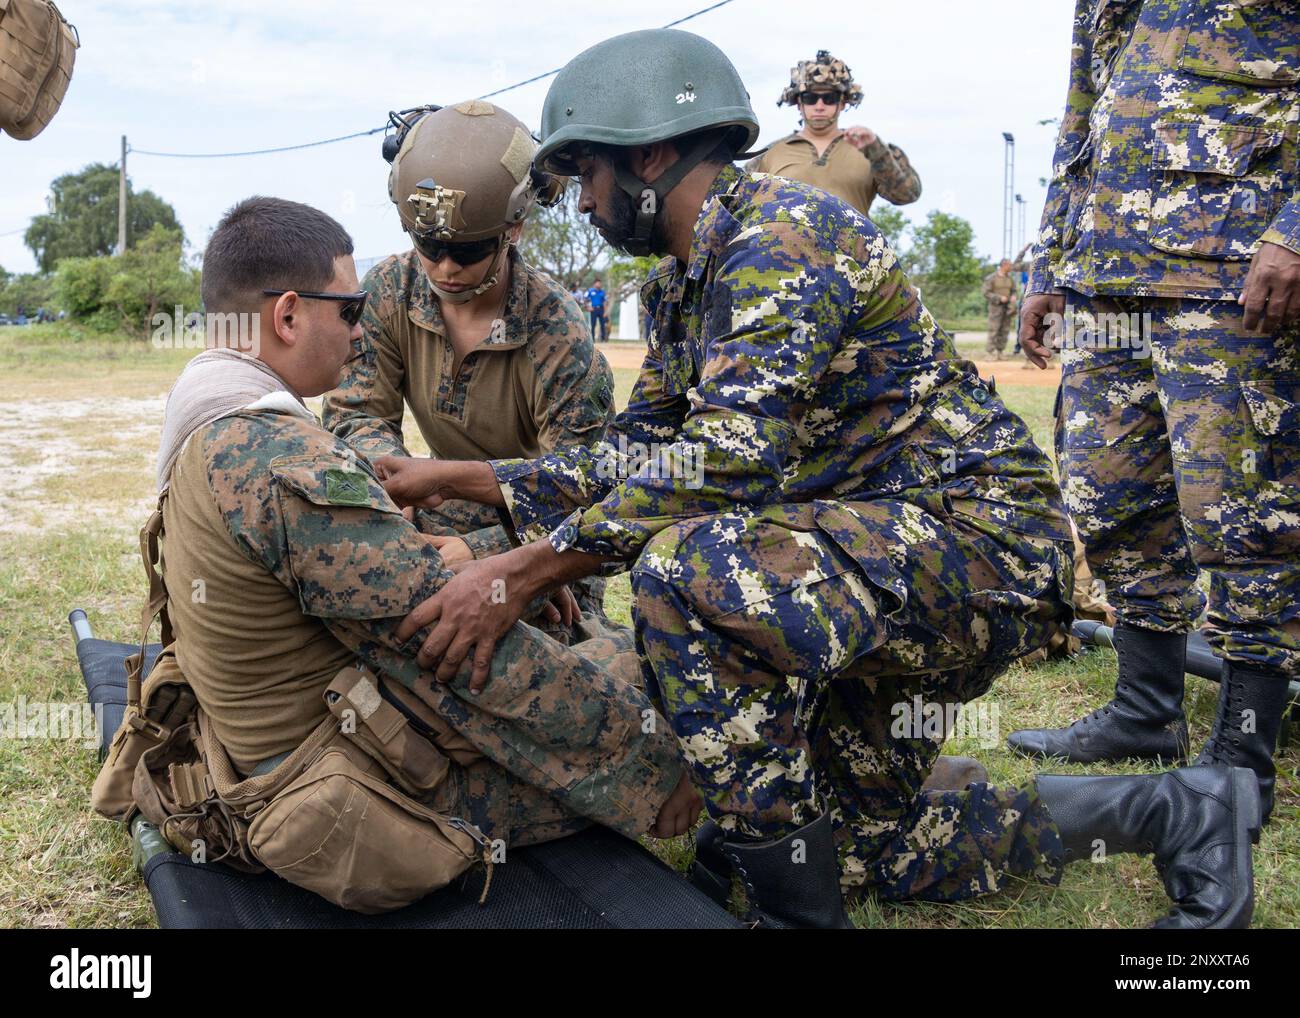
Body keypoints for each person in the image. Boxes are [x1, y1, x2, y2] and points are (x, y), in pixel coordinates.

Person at [373, 28, 1260, 930]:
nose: (585, 204)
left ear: (647, 155)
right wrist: (468, 476)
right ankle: (1183, 811)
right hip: (872, 555)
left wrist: (521, 572)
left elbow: (723, 460)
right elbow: (639, 451)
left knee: (686, 569)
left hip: (978, 547)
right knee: (886, 855)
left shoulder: (783, 236)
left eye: (588, 177)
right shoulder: (686, 282)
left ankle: (794, 917)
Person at [154, 196, 694, 894]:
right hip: (344, 795)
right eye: (347, 312)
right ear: (287, 315)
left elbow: (370, 577)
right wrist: (659, 774)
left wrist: (479, 563)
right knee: (635, 669)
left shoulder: (214, 407)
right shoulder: (280, 460)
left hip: (296, 747)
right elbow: (464, 648)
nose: (358, 333)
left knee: (578, 647)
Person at [1009, 0, 1299, 829]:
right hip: (1106, 273)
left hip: (1232, 271)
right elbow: (1081, 113)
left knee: (1243, 516)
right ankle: (1146, 714)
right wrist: (1049, 264)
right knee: (1111, 500)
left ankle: (1242, 761)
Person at [321, 100, 617, 637]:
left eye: (469, 250)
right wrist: (392, 493)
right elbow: (353, 415)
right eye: (428, 246)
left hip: (541, 534)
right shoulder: (390, 291)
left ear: (515, 230)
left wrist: (493, 556)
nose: (446, 268)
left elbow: (588, 488)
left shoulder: (559, 332)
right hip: (425, 515)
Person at [746, 49, 920, 219]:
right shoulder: (770, 155)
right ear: (799, 104)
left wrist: (877, 151)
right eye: (810, 98)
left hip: (851, 248)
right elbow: (736, 205)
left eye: (829, 98)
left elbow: (907, 195)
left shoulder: (870, 150)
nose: (820, 106)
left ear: (842, 103)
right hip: (782, 248)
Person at [982, 259, 1019, 360]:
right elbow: (986, 292)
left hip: (1007, 307)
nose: (1011, 267)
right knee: (994, 329)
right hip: (995, 307)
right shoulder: (991, 278)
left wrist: (1013, 296)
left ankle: (1000, 352)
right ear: (1004, 265)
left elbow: (1014, 290)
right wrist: (999, 298)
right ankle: (989, 353)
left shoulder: (1010, 279)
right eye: (1009, 265)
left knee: (1005, 330)